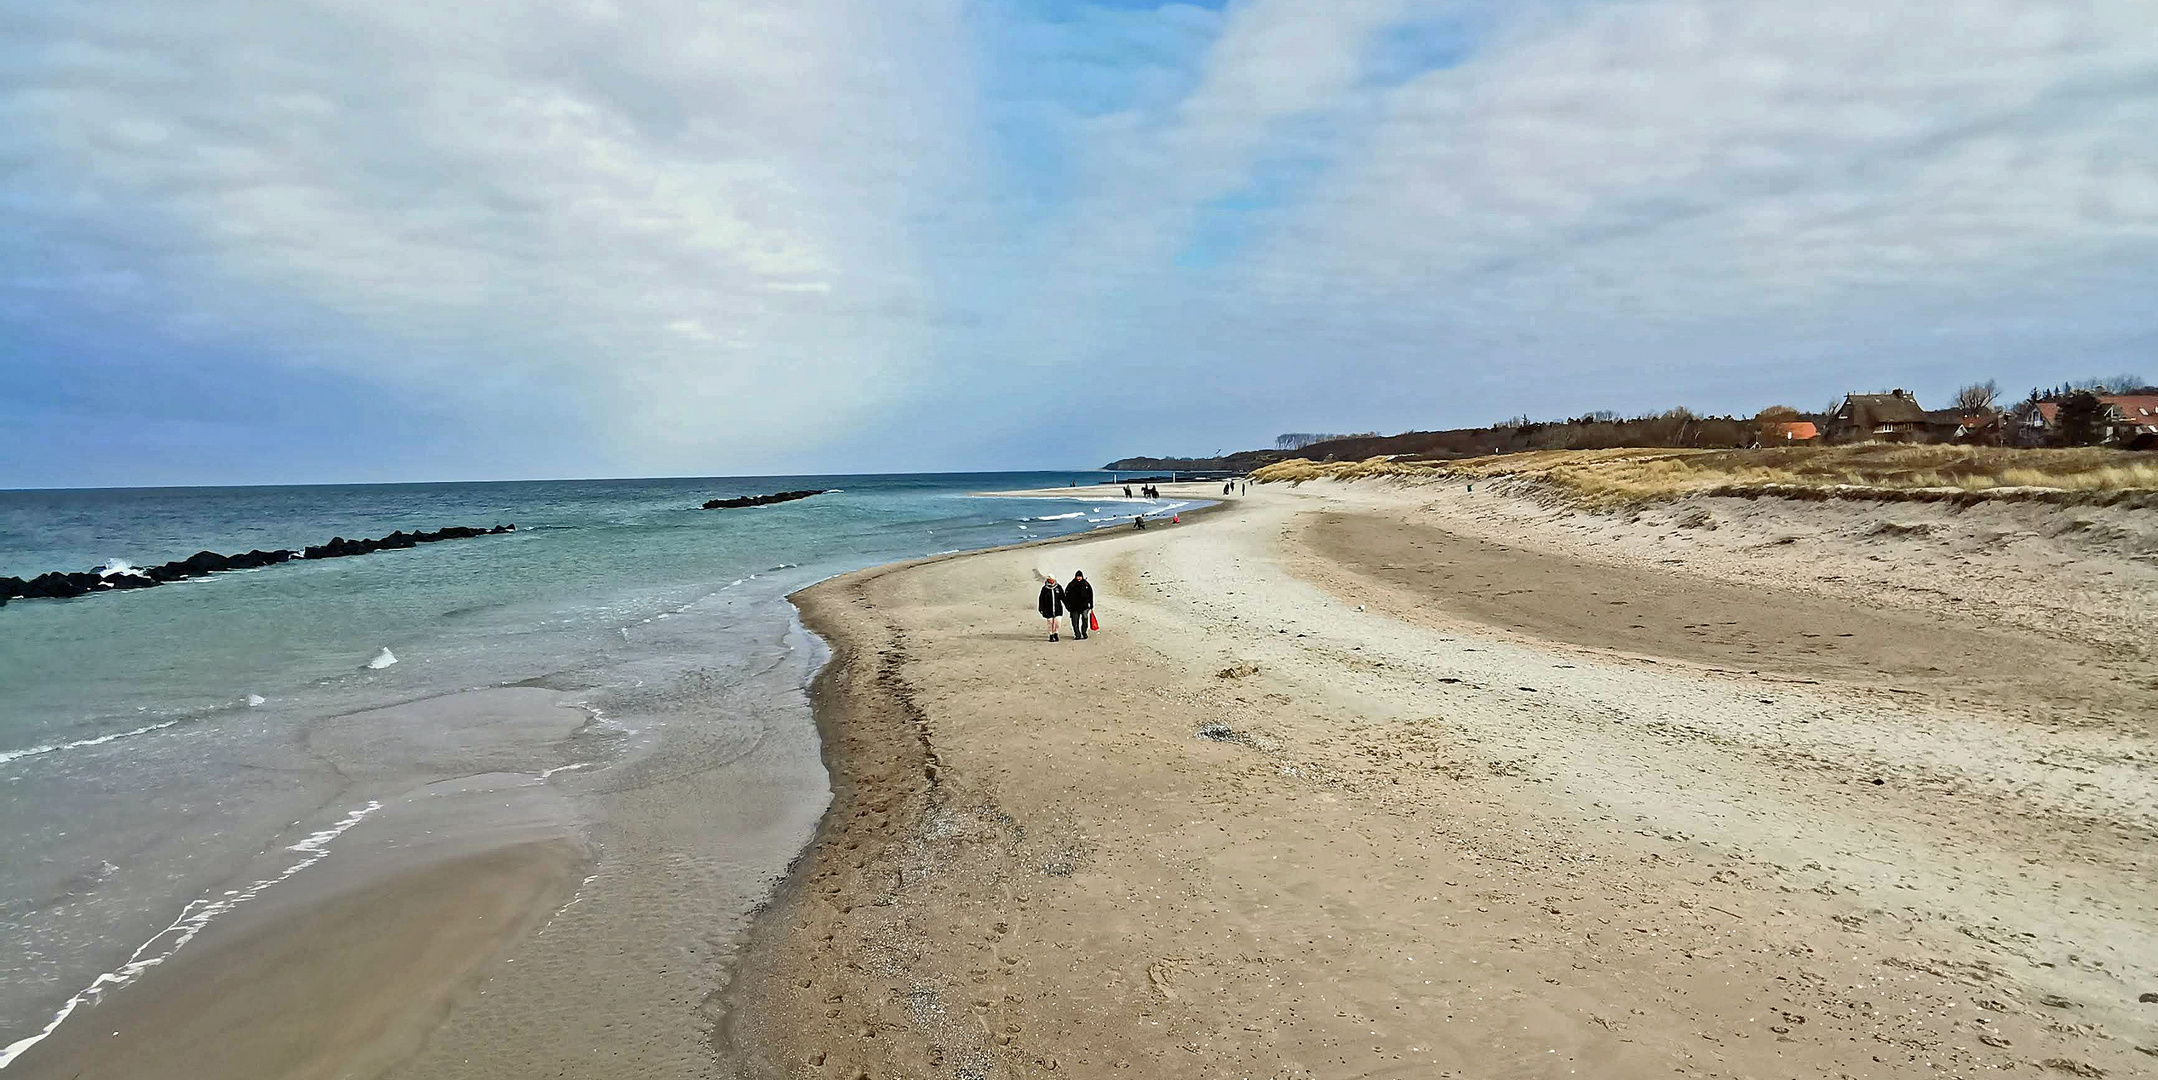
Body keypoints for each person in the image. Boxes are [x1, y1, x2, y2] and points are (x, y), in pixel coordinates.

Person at [1064, 570, 1094, 639]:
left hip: (1084, 606)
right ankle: (1077, 634)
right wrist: (1068, 606)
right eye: (1078, 577)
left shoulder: (1086, 584)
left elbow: (1090, 594)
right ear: (1075, 577)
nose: (1079, 578)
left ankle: (1084, 632)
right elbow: (1066, 596)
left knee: (1085, 619)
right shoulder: (1071, 584)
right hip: (1074, 607)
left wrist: (1091, 604)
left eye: (1080, 577)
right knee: (1075, 621)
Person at [1038, 575, 1066, 641]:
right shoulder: (1044, 589)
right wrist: (1041, 608)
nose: (1051, 581)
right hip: (1048, 609)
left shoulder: (1058, 587)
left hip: (1058, 609)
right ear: (1048, 580)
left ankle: (1056, 632)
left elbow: (1063, 597)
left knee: (1058, 622)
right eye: (1050, 580)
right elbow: (1041, 599)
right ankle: (1051, 634)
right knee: (1050, 622)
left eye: (1052, 579)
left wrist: (1068, 605)